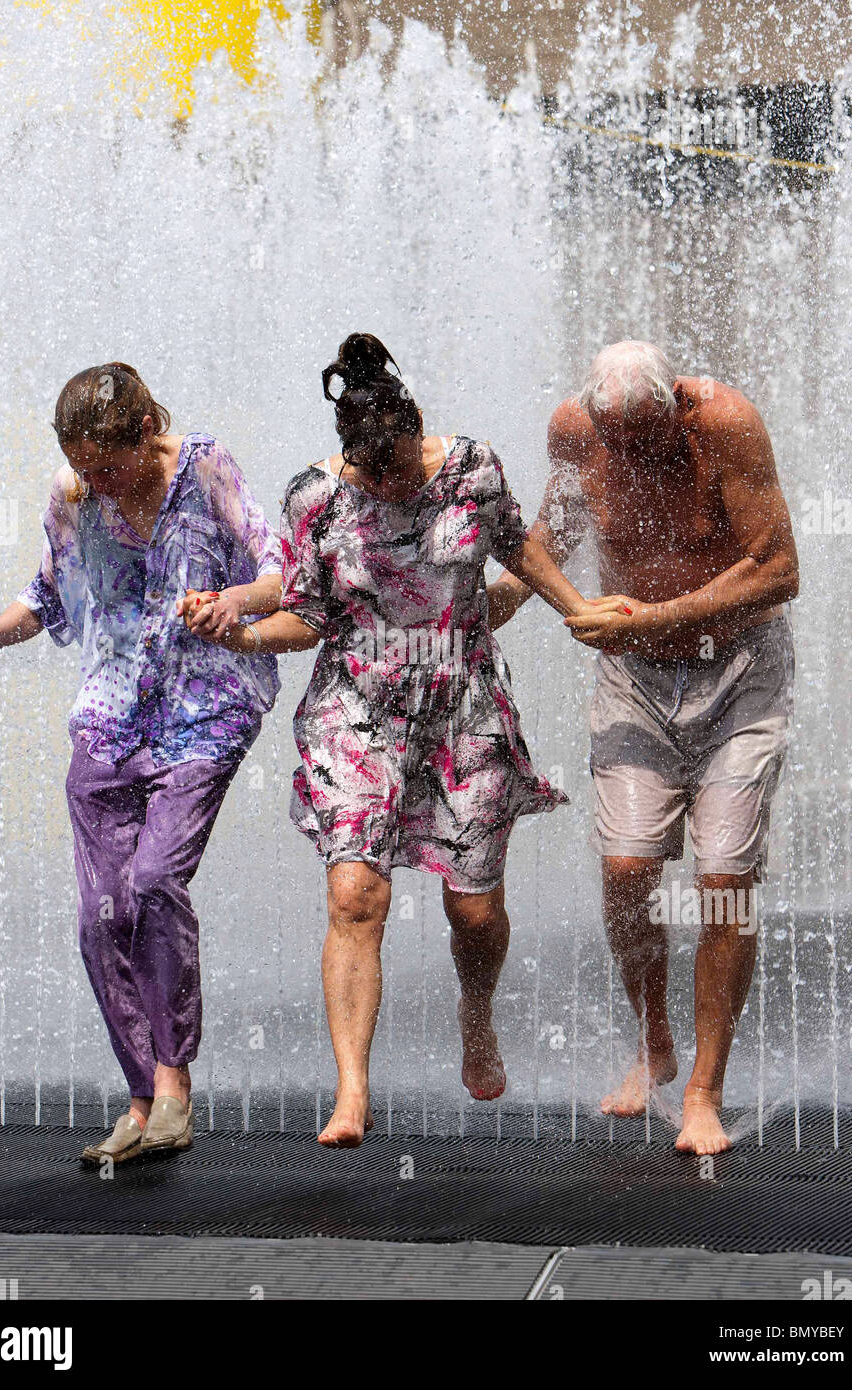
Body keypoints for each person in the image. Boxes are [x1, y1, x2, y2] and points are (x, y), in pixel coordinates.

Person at [180, 332, 625, 1147]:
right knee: (355, 896)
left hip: (463, 706)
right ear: (349, 455)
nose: (390, 487)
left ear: (420, 438)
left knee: (475, 911)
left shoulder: (471, 471)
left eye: (400, 471)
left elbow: (516, 544)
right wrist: (241, 634)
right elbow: (309, 613)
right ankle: (352, 1090)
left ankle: (476, 1012)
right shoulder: (315, 499)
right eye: (373, 475)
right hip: (356, 710)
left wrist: (578, 611)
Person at [0, 363, 282, 1165]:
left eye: (106, 465)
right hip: (109, 719)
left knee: (155, 881)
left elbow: (282, 572)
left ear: (144, 434)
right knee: (100, 914)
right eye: (81, 466)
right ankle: (142, 1101)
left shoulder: (203, 468)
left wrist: (233, 602)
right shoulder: (73, 496)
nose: (93, 482)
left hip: (204, 709)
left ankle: (174, 1084)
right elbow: (48, 594)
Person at [489, 341, 799, 1156]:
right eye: (613, 441)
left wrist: (646, 619)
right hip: (636, 681)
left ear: (678, 407)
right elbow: (553, 532)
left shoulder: (725, 424)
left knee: (723, 878)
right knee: (627, 870)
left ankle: (704, 1090)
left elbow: (776, 569)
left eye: (646, 437)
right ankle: (653, 1041)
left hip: (739, 671)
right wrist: (503, 599)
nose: (628, 456)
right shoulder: (575, 432)